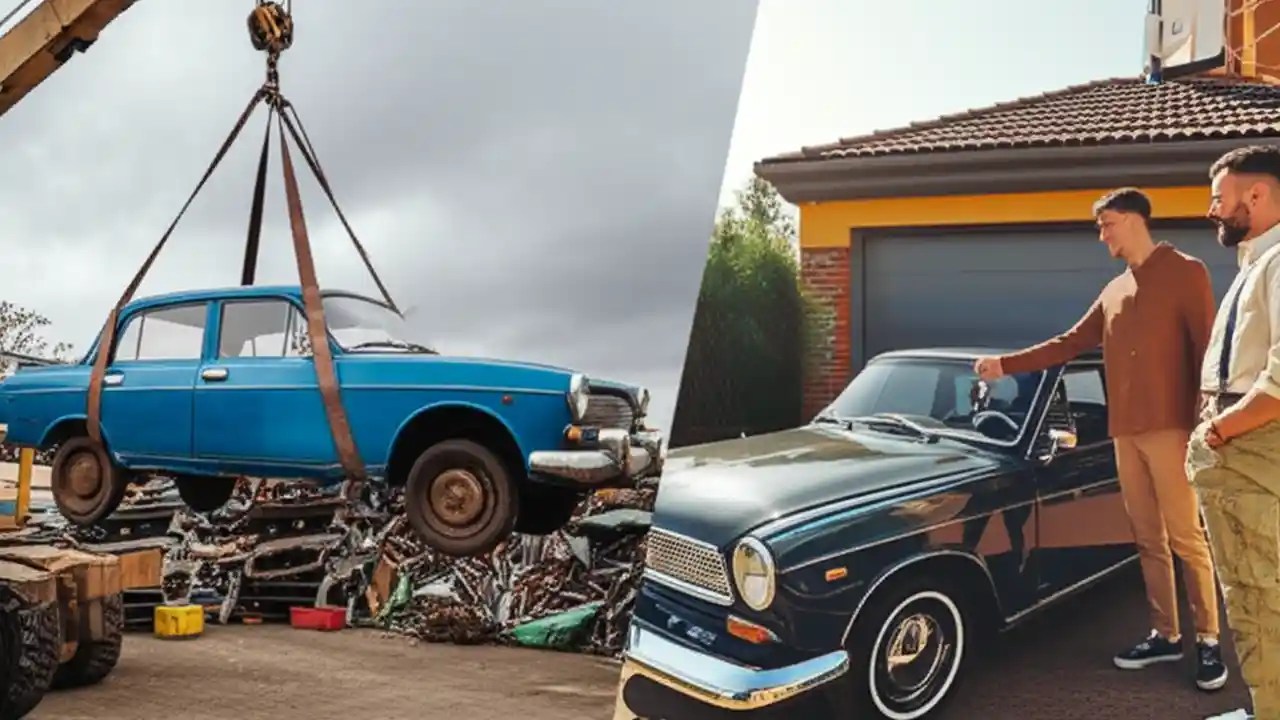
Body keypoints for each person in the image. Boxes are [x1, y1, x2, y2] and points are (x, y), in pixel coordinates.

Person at [973, 187, 1227, 692]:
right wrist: (1005, 365)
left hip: (1173, 429)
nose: (1102, 234)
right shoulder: (1114, 291)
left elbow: (1207, 350)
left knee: (1186, 539)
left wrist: (1207, 422)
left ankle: (1209, 641)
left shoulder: (1187, 271)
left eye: (1106, 224)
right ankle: (1165, 632)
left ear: (1132, 220)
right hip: (1124, 434)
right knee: (1147, 539)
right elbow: (1069, 342)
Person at [1190, 145, 1280, 720]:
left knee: (1256, 595)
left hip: (1250, 446)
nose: (1211, 210)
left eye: (1219, 198)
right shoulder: (1257, 265)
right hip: (1242, 445)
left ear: (1258, 194)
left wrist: (1220, 430)